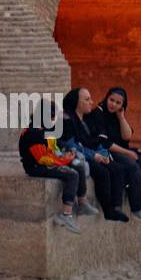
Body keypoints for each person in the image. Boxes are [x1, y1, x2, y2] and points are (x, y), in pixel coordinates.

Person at [85, 86, 141, 222]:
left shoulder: (116, 115)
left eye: (118, 103)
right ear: (106, 98)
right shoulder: (98, 113)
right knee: (132, 166)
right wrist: (127, 153)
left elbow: (126, 137)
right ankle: (139, 208)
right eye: (111, 100)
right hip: (105, 151)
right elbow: (104, 142)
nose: (113, 104)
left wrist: (121, 118)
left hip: (121, 149)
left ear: (122, 105)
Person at [58, 87, 129, 222]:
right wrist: (94, 156)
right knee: (102, 172)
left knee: (117, 168)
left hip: (90, 153)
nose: (92, 102)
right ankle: (108, 210)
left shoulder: (84, 120)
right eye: (87, 99)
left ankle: (117, 207)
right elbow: (72, 145)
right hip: (76, 155)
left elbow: (94, 141)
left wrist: (101, 153)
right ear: (77, 103)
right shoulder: (67, 119)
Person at [17, 119, 95, 233]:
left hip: (49, 161)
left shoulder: (45, 129)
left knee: (78, 165)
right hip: (36, 167)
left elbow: (57, 144)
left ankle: (82, 202)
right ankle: (66, 215)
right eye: (51, 117)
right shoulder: (33, 133)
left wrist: (69, 151)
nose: (53, 121)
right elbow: (43, 159)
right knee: (72, 175)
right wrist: (64, 161)